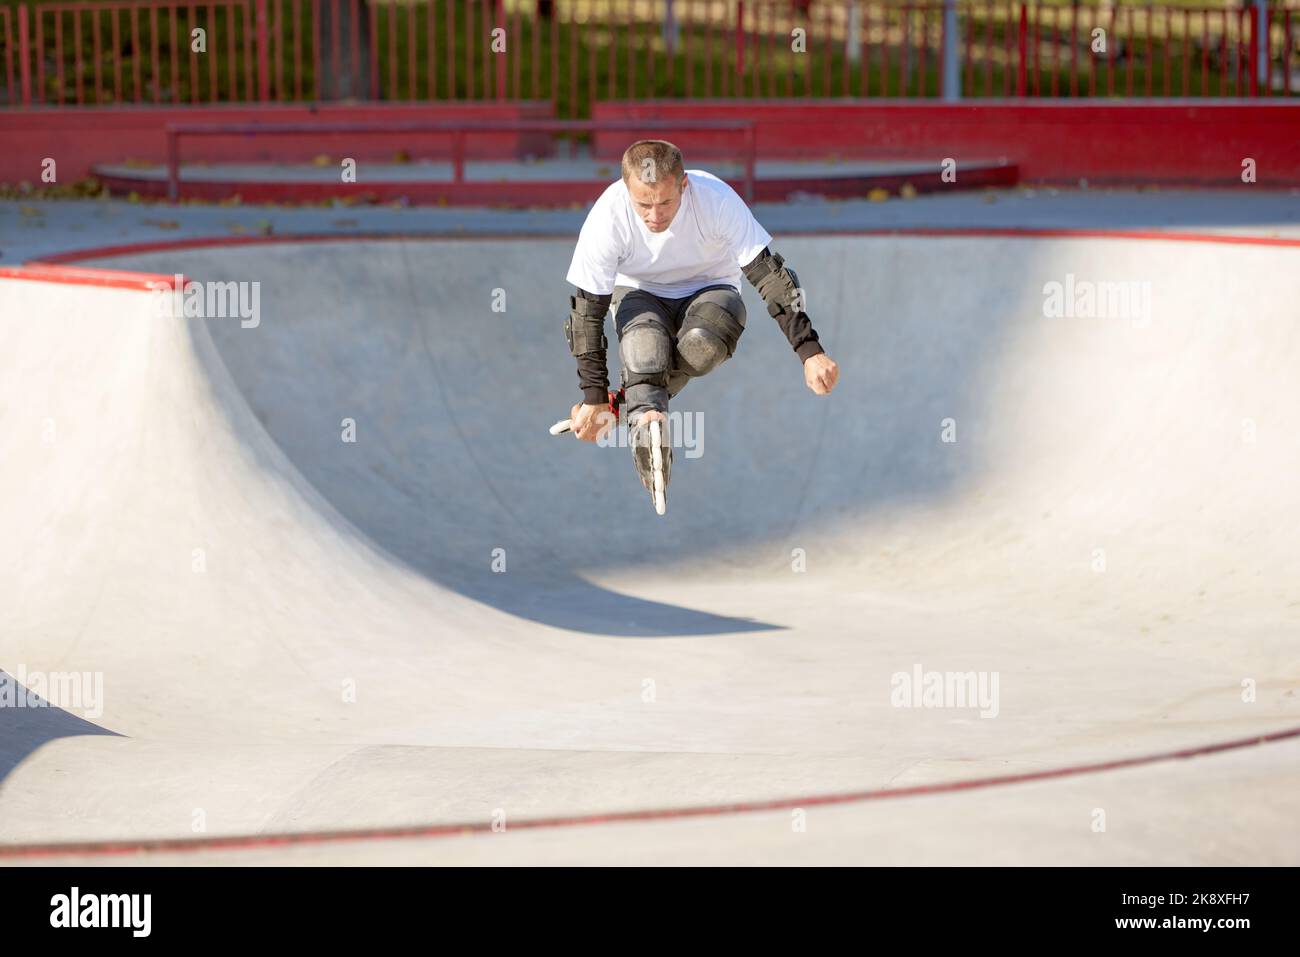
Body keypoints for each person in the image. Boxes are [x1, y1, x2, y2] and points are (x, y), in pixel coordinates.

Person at [563, 139, 839, 508]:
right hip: (639, 291)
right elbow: (587, 312)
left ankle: (637, 407)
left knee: (703, 343)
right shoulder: (607, 216)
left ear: (684, 185)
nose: (654, 216)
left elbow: (771, 277)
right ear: (626, 189)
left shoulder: (716, 200)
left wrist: (810, 350)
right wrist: (594, 397)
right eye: (643, 204)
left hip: (710, 288)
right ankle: (646, 421)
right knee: (644, 350)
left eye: (666, 202)